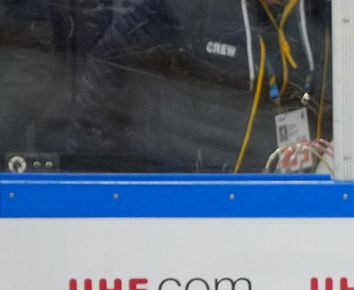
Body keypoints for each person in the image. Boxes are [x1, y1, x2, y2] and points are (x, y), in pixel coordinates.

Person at [64, 0, 331, 173]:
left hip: (278, 200)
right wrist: (108, 168)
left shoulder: (317, 14)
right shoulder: (184, 8)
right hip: (192, 200)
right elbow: (107, 70)